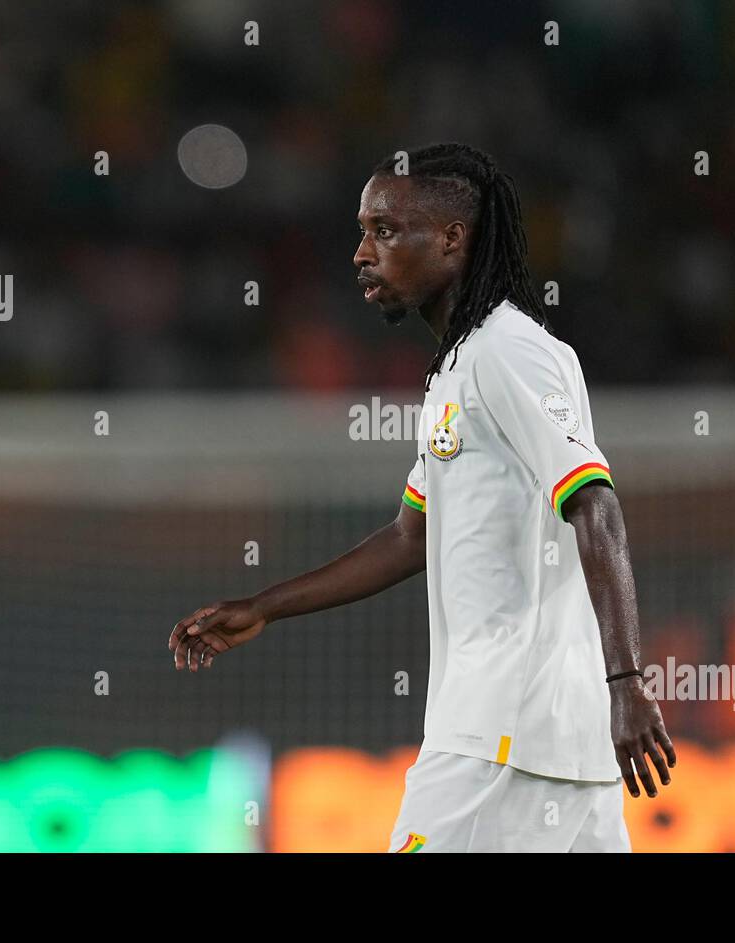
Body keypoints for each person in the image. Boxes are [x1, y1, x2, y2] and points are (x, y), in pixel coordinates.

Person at [169, 142, 675, 852]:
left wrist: (627, 679)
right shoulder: (454, 372)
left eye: (384, 230)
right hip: (545, 740)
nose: (360, 253)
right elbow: (411, 537)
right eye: (361, 230)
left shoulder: (509, 351)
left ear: (451, 238)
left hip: (501, 738)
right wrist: (264, 607)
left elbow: (597, 505)